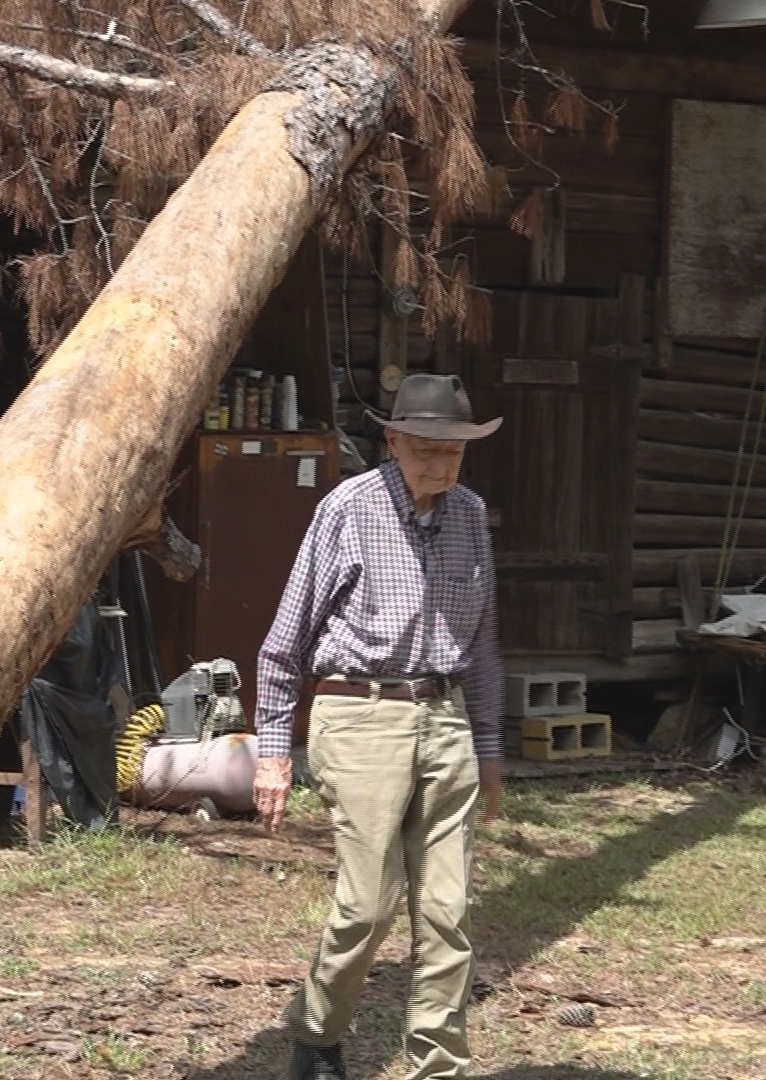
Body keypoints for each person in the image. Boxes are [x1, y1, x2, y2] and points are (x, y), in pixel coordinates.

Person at [254, 373, 505, 1080]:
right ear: (391, 440)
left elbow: (483, 645)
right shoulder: (348, 510)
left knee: (447, 913)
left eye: (454, 452)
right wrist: (274, 753)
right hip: (360, 715)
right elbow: (283, 643)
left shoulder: (470, 516)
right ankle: (317, 1029)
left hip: (446, 718)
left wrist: (488, 746)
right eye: (427, 449)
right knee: (368, 906)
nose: (441, 465)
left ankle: (437, 1064)